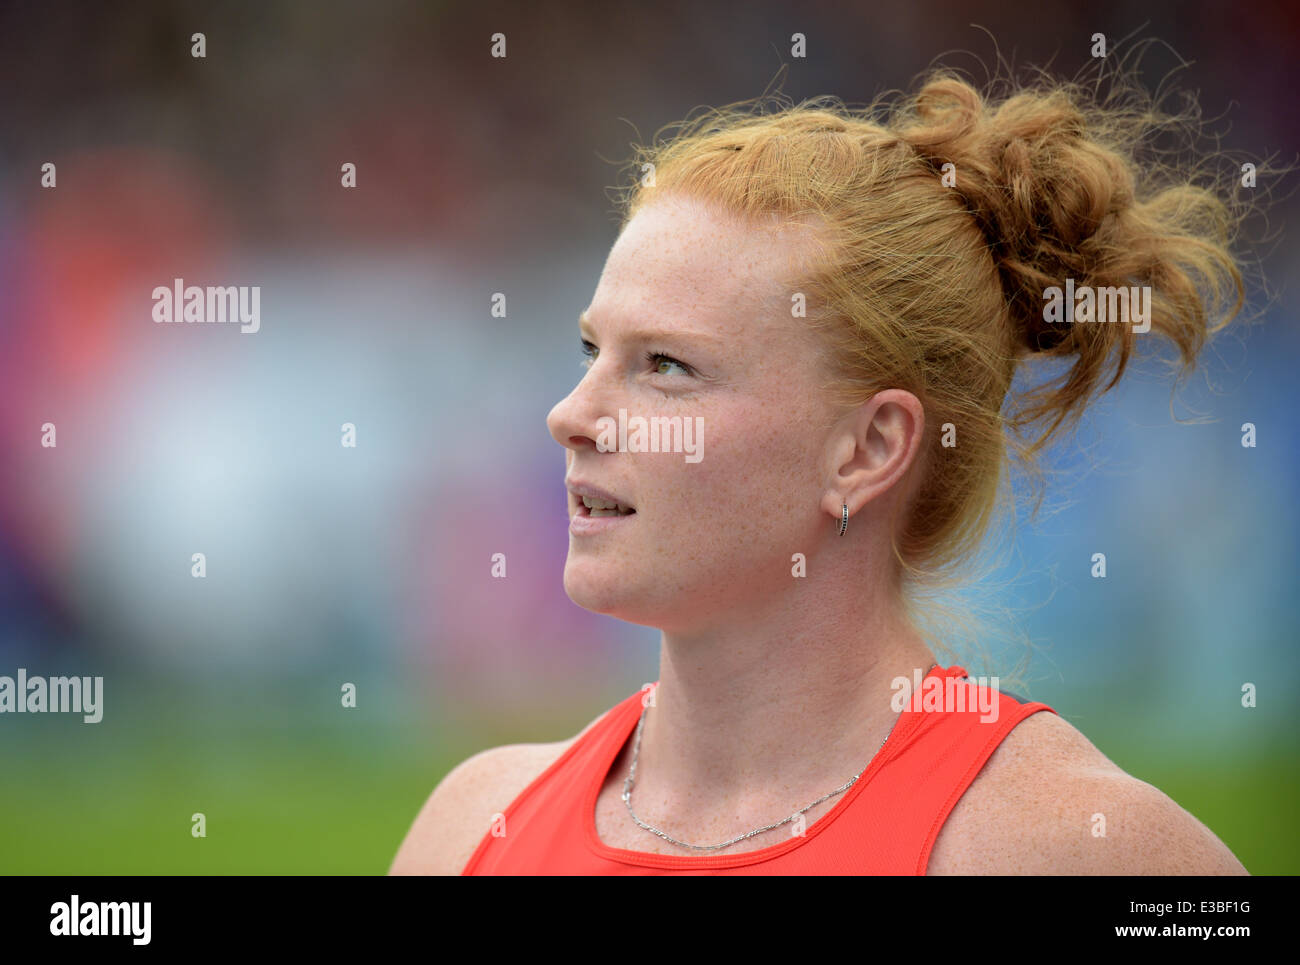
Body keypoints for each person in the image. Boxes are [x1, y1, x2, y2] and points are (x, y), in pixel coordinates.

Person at [391, 69, 1252, 875]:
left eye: (666, 366)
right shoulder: (472, 827)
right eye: (591, 348)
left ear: (868, 449)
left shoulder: (1080, 849)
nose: (570, 415)